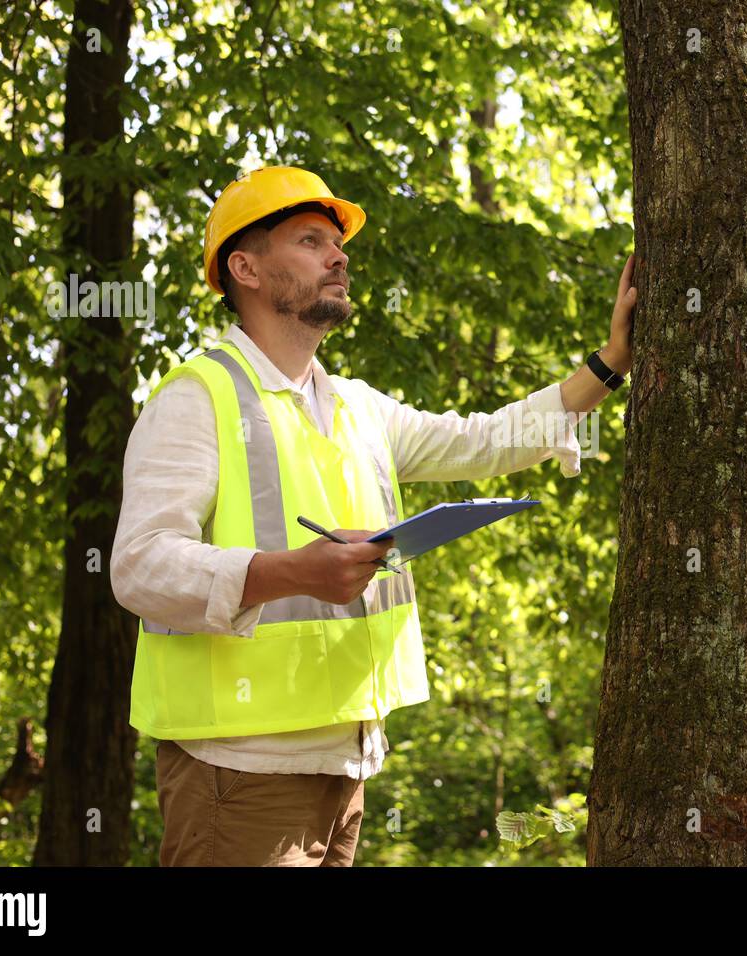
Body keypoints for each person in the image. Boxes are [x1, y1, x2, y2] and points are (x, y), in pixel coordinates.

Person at [110, 165, 637, 866]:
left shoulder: (359, 406)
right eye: (310, 241)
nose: (339, 257)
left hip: (347, 767)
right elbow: (140, 567)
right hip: (239, 773)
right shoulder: (194, 398)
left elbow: (483, 441)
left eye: (337, 244)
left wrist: (608, 364)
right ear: (246, 268)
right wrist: (290, 573)